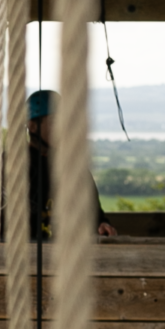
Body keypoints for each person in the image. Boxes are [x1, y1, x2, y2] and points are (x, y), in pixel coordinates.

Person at [26, 89, 118, 240]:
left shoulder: (75, 167)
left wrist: (102, 225)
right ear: (32, 126)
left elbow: (94, 214)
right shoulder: (13, 166)